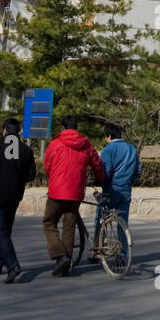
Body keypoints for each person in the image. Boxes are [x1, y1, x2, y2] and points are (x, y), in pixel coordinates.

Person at [42, 116, 103, 277]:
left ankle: (60, 256)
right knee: (69, 227)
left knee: (49, 223)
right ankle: (65, 266)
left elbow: (47, 165)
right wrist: (100, 178)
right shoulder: (86, 144)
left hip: (57, 191)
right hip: (76, 192)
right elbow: (97, 163)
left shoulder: (55, 143)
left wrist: (53, 176)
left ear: (63, 128)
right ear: (76, 127)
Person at [0, 118, 36, 284]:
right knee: (5, 229)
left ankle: (12, 265)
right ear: (19, 132)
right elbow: (31, 175)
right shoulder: (26, 150)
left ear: (4, 131)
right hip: (14, 195)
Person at [99, 122, 141, 229]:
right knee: (123, 223)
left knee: (100, 218)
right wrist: (130, 182)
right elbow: (138, 170)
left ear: (109, 136)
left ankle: (97, 241)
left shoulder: (108, 150)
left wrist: (100, 182)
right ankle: (124, 245)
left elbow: (106, 171)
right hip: (126, 190)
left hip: (111, 190)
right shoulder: (132, 149)